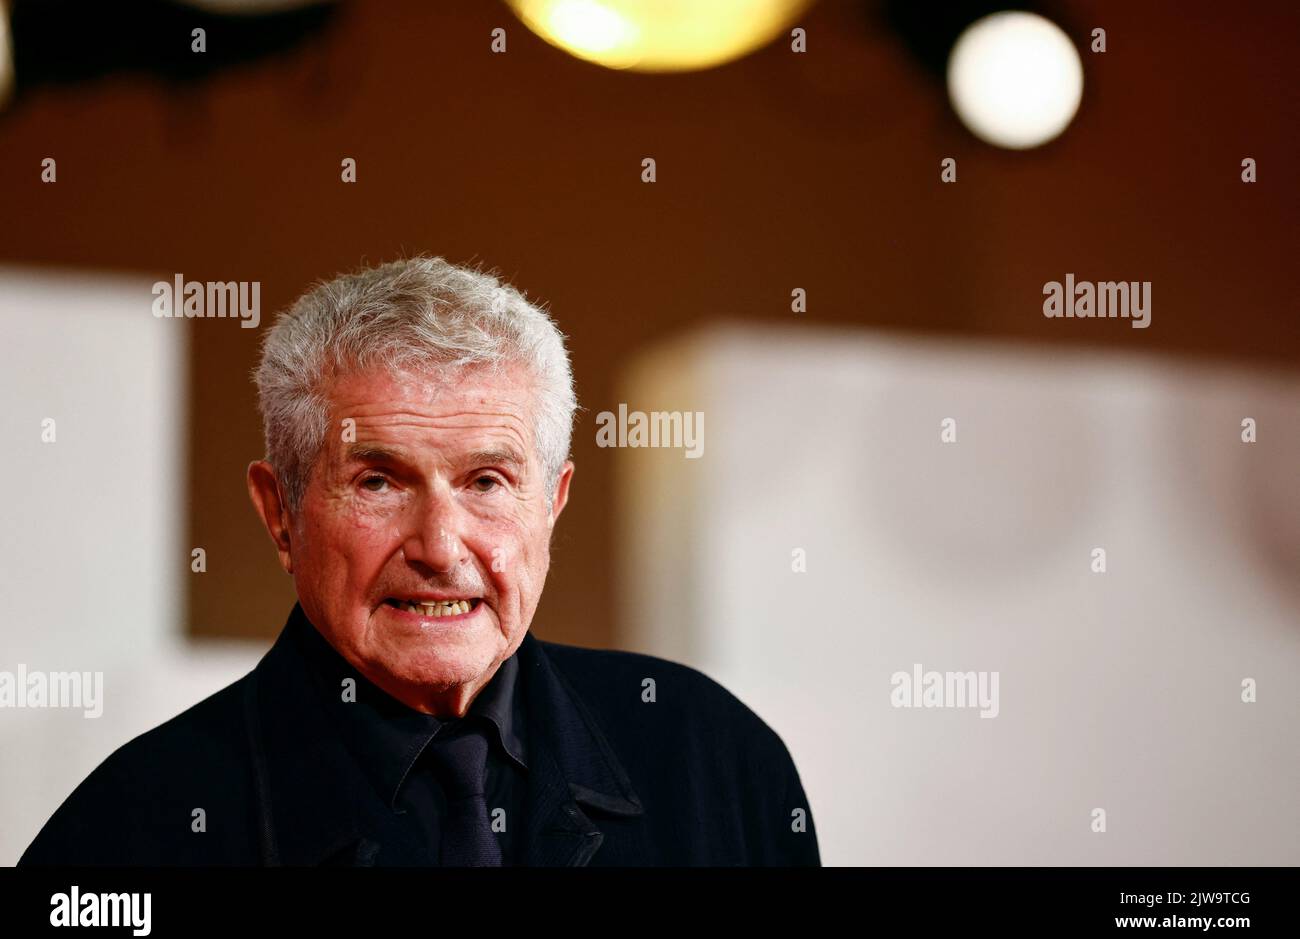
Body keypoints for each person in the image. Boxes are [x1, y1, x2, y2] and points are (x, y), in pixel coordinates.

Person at [19, 256, 820, 866]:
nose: (439, 547)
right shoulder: (131, 830)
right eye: (377, 480)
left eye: (487, 481)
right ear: (280, 514)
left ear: (554, 503)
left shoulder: (715, 761)